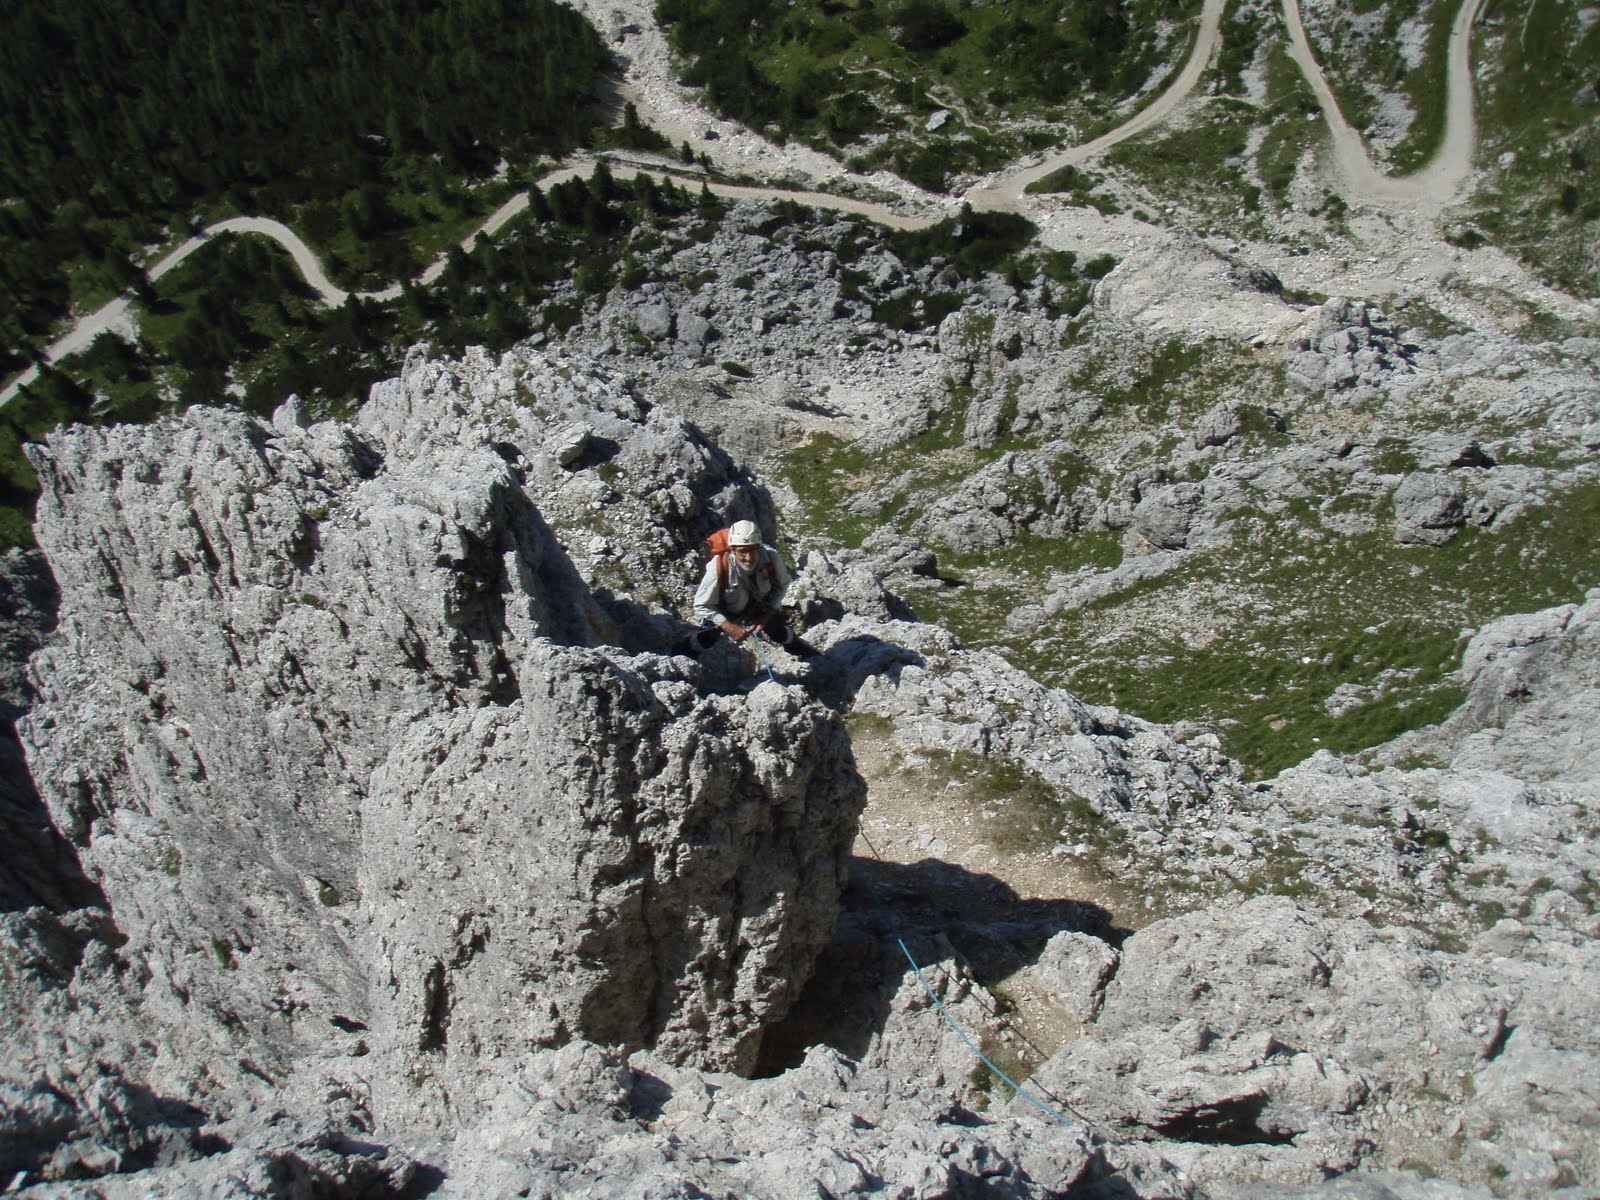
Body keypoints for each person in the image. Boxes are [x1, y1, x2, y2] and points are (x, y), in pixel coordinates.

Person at [680, 520, 818, 659]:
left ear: (759, 546)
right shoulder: (718, 567)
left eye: (753, 549)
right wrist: (728, 626)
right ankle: (683, 652)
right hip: (725, 609)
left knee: (777, 631)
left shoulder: (771, 558)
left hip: (758, 605)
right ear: (732, 549)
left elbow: (783, 584)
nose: (749, 557)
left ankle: (798, 648)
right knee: (707, 638)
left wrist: (767, 615)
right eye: (742, 551)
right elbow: (701, 604)